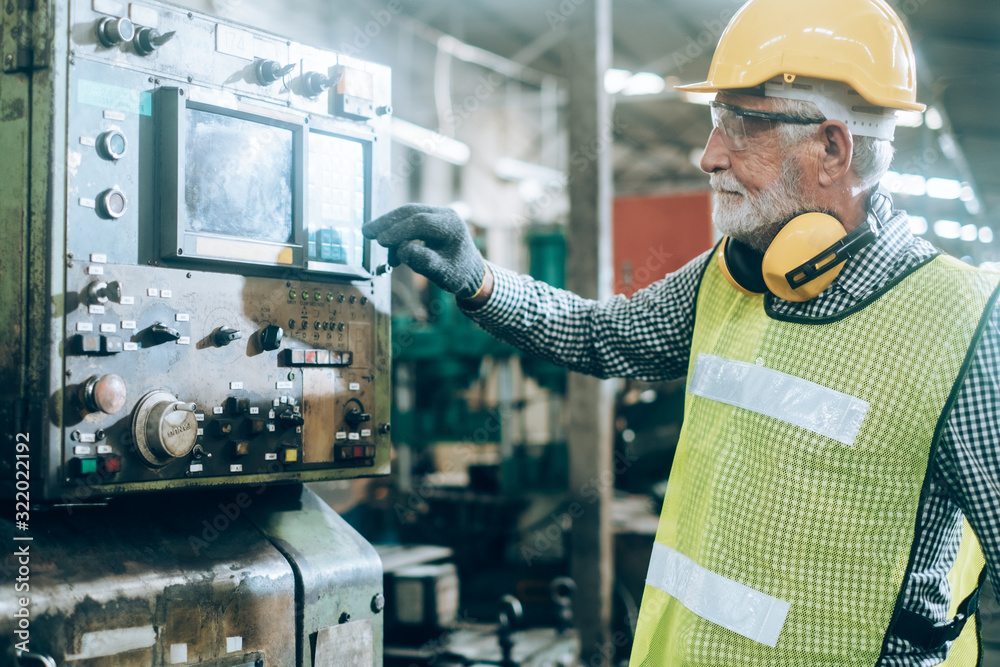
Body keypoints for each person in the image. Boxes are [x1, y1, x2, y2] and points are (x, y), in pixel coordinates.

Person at [363, 0, 1000, 663]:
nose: (708, 156)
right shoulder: (732, 275)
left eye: (741, 126)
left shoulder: (962, 325)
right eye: (714, 122)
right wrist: (480, 280)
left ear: (832, 149)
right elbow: (599, 334)